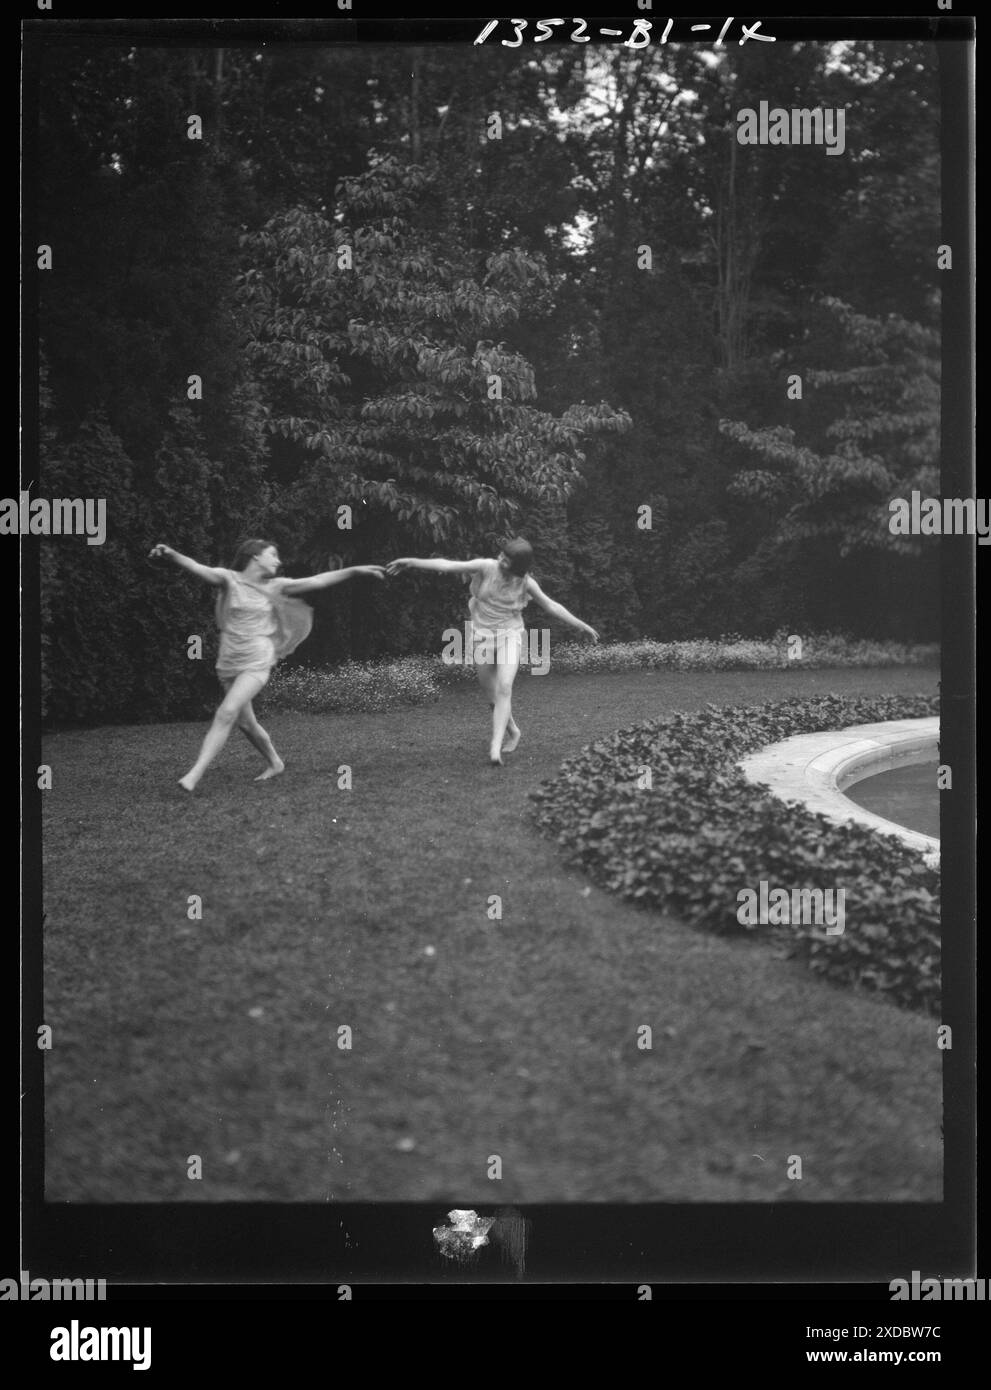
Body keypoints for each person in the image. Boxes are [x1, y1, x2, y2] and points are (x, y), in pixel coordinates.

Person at [148, 539, 385, 790]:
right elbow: (197, 567)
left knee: (226, 712)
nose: (278, 561)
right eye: (273, 555)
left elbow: (318, 580)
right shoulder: (229, 579)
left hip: (257, 659)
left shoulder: (277, 586)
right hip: (229, 660)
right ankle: (275, 762)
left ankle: (194, 775)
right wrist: (172, 554)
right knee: (246, 723)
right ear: (255, 556)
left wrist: (354, 570)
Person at [387, 538, 598, 764]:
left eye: (506, 560)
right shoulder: (487, 566)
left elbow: (552, 605)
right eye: (501, 556)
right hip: (481, 637)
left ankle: (494, 748)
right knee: (492, 697)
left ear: (518, 567)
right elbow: (447, 565)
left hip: (510, 635)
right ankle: (514, 731)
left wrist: (582, 625)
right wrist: (411, 561)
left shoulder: (526, 583)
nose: (500, 560)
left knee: (504, 687)